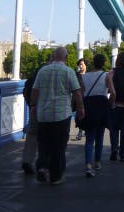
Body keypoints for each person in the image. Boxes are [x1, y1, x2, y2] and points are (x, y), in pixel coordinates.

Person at [31, 46, 83, 185]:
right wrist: (81, 109)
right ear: (66, 58)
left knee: (43, 145)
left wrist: (33, 106)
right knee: (59, 147)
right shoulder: (69, 72)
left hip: (44, 115)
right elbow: (77, 92)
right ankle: (56, 176)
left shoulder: (43, 71)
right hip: (61, 116)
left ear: (53, 56)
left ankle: (42, 167)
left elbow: (35, 91)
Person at [80, 53, 112, 178]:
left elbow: (81, 93)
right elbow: (113, 92)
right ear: (103, 63)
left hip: (88, 108)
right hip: (101, 107)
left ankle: (88, 165)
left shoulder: (84, 77)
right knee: (100, 136)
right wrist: (110, 104)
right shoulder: (105, 75)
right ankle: (97, 162)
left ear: (93, 63)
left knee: (89, 139)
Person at [74, 58, 87, 140]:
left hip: (87, 97)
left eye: (82, 64)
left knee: (87, 114)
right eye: (80, 65)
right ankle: (80, 131)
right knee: (79, 115)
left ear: (86, 65)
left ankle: (85, 130)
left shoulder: (89, 75)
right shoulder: (76, 75)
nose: (81, 66)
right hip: (79, 97)